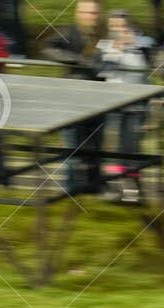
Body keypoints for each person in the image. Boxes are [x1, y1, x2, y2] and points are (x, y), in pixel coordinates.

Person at [42, 0, 106, 195]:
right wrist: (77, 60)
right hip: (72, 97)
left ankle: (94, 187)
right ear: (78, 13)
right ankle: (69, 188)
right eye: (86, 13)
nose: (90, 17)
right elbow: (48, 48)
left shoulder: (104, 33)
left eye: (93, 13)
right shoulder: (68, 32)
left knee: (95, 145)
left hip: (100, 98)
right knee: (72, 145)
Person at [97, 10, 156, 202]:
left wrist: (134, 46)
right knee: (114, 150)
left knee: (132, 149)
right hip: (112, 105)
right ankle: (115, 188)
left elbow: (148, 66)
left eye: (123, 26)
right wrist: (116, 50)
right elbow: (103, 70)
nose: (120, 30)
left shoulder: (144, 43)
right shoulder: (104, 45)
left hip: (136, 105)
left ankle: (134, 191)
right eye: (115, 27)